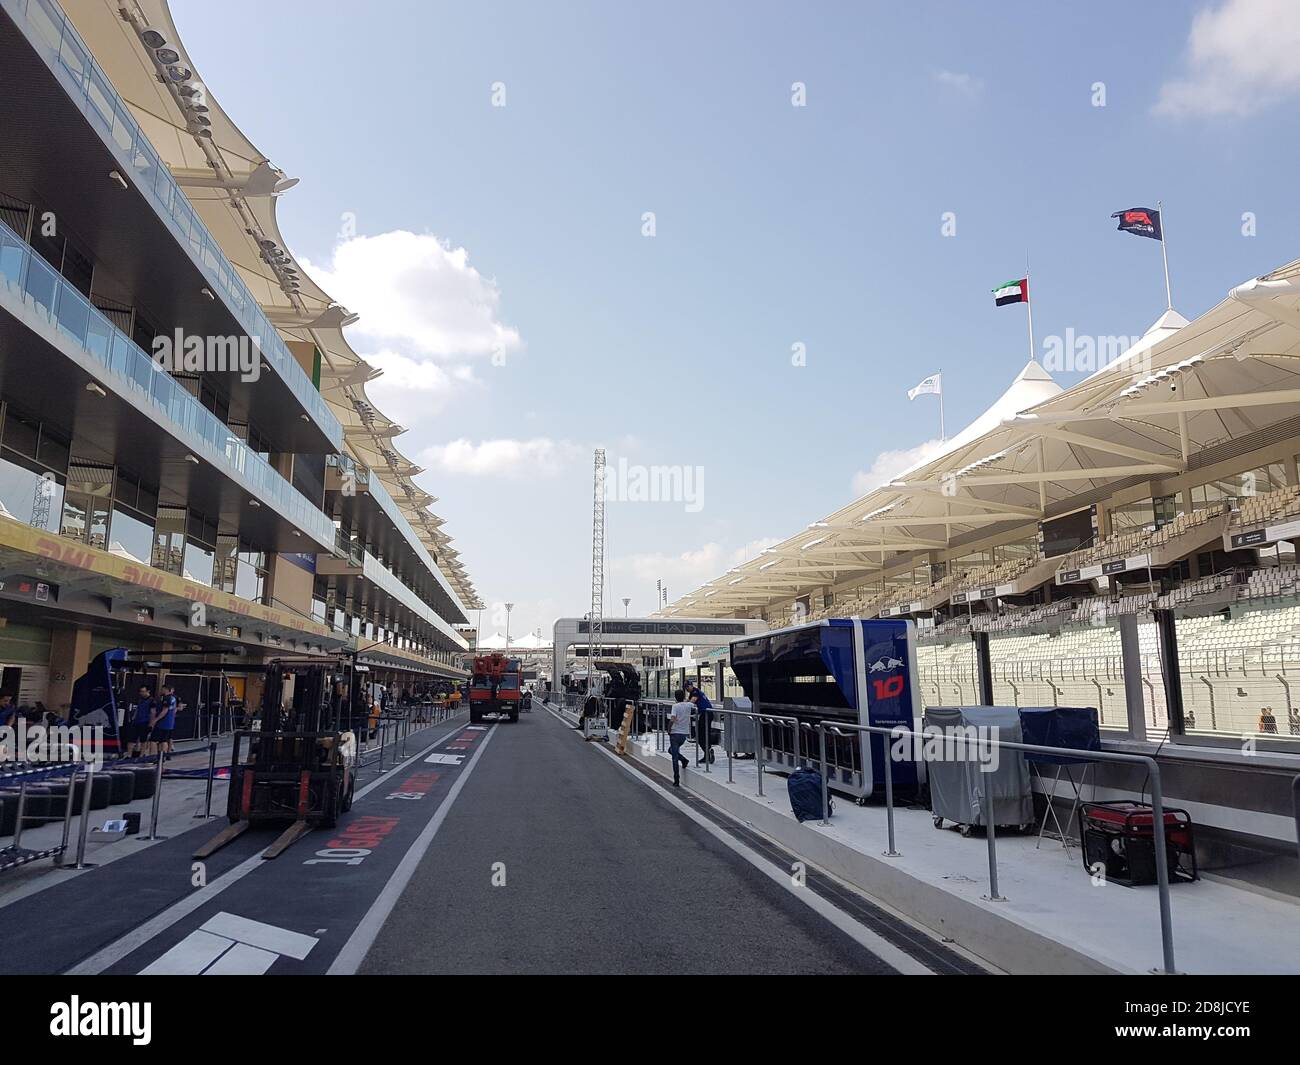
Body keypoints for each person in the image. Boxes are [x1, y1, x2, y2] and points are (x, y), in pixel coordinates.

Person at [668, 689, 692, 786]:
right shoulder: (688, 705)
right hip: (684, 734)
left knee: (674, 755)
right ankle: (683, 760)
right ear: (684, 696)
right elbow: (695, 705)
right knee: (672, 751)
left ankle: (676, 779)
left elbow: (673, 718)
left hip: (675, 733)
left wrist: (669, 728)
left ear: (675, 697)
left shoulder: (675, 706)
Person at [687, 685, 714, 764]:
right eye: (685, 688)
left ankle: (708, 751)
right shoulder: (695, 692)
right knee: (704, 734)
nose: (687, 689)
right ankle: (707, 753)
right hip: (706, 714)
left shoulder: (695, 692)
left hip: (706, 714)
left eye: (687, 687)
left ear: (691, 686)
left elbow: (691, 702)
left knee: (700, 735)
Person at [149, 684, 178, 757]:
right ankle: (163, 757)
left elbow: (164, 711)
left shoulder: (167, 698)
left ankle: (153, 757)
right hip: (169, 723)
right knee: (163, 740)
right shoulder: (173, 698)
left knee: (153, 740)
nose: (161, 690)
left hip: (163, 723)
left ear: (166, 689)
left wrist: (155, 720)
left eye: (162, 689)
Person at [126, 685, 154, 757]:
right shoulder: (140, 700)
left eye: (143, 691)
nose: (141, 693)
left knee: (143, 740)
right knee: (131, 739)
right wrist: (133, 718)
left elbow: (153, 713)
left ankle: (141, 755)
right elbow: (137, 709)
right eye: (141, 691)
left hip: (145, 722)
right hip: (136, 722)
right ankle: (129, 754)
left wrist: (151, 724)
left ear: (148, 691)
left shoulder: (152, 701)